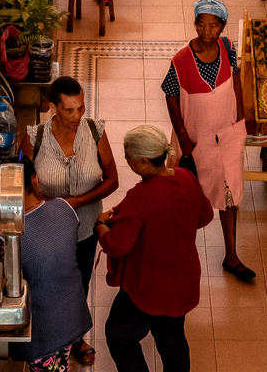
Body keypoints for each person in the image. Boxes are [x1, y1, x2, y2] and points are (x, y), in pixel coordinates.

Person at [95, 125, 213, 372]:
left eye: (128, 157)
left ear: (144, 162)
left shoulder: (141, 196)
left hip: (150, 286)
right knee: (171, 336)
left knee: (119, 335)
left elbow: (117, 245)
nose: (126, 160)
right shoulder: (186, 177)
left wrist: (100, 226)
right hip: (183, 280)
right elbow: (205, 216)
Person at [26, 77, 120, 365]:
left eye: (80, 108)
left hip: (85, 230)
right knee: (47, 285)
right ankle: (47, 337)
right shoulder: (35, 138)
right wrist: (48, 208)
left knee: (79, 284)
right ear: (53, 107)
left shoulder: (95, 132)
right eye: (68, 110)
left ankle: (75, 338)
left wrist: (76, 203)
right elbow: (22, 181)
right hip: (47, 234)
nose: (77, 116)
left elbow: (113, 180)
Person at [162, 0, 255, 280]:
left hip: (227, 136)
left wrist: (240, 117)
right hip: (196, 141)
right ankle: (180, 258)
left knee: (230, 196)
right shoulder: (181, 59)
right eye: (201, 24)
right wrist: (183, 138)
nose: (206, 31)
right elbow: (170, 95)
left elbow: (236, 78)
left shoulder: (228, 48)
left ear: (222, 27)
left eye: (213, 25)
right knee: (190, 200)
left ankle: (231, 256)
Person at [9, 155, 94, 371]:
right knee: (61, 360)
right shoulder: (64, 209)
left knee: (52, 367)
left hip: (43, 329)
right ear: (35, 180)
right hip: (71, 314)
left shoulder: (11, 237)